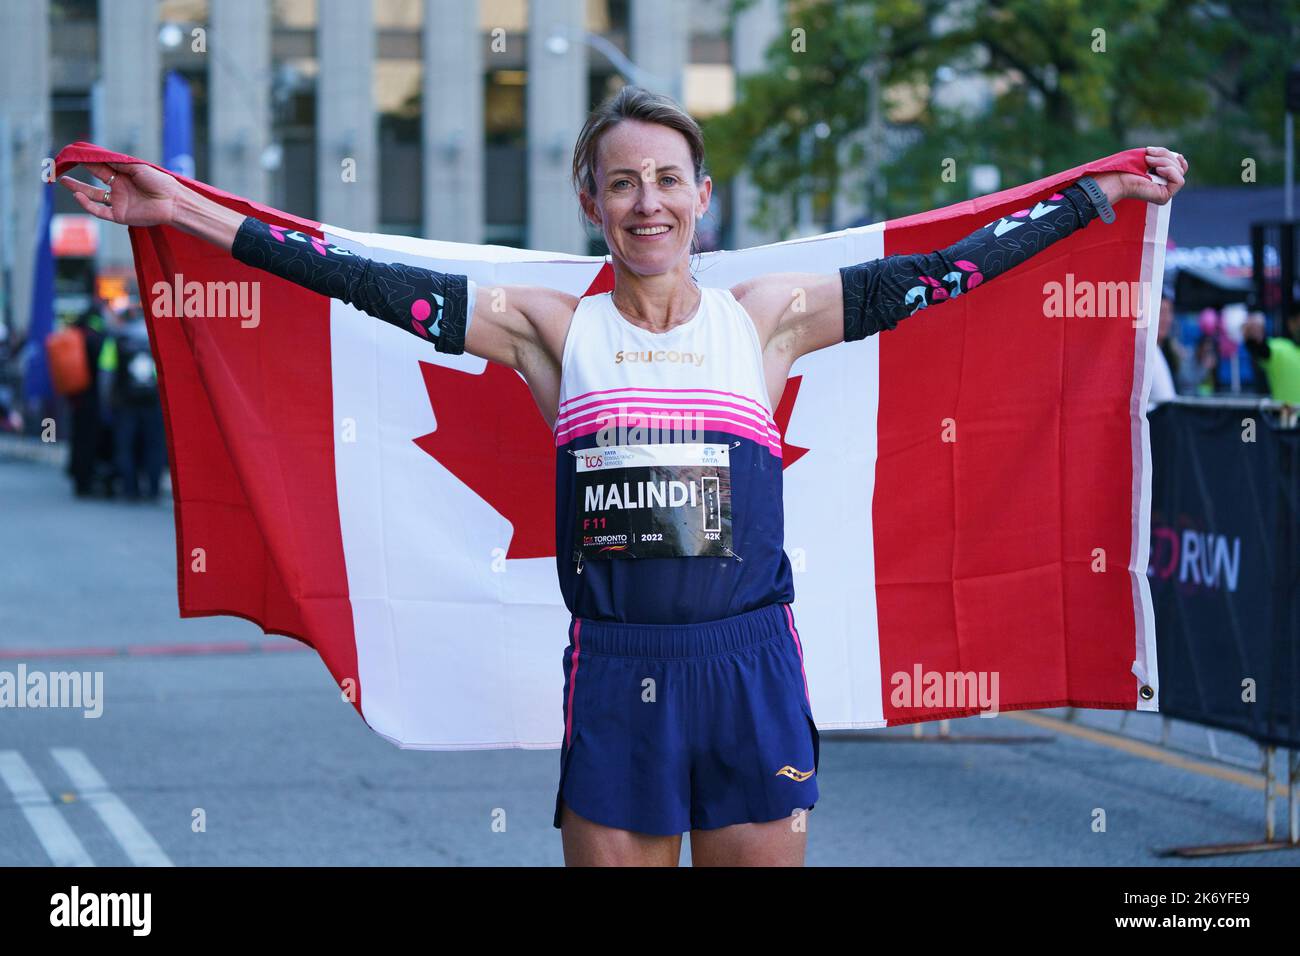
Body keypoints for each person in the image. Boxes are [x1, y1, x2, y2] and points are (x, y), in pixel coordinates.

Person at [59, 86, 1187, 866]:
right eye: (623, 183)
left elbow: (945, 274)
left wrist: (1095, 199)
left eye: (667, 180)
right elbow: (363, 278)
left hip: (749, 666)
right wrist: (185, 209)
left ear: (703, 196)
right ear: (592, 204)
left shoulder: (770, 318)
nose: (648, 201)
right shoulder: (550, 331)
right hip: (619, 673)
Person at [103, 304, 166, 500]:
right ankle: (154, 489)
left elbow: (106, 374)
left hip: (125, 403)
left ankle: (130, 489)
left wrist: (106, 402)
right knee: (154, 446)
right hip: (153, 402)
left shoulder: (116, 339)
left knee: (125, 447)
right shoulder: (156, 337)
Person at [1243, 307, 1300, 405]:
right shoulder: (1280, 348)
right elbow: (1261, 349)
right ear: (1291, 323)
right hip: (1289, 414)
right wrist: (1253, 337)